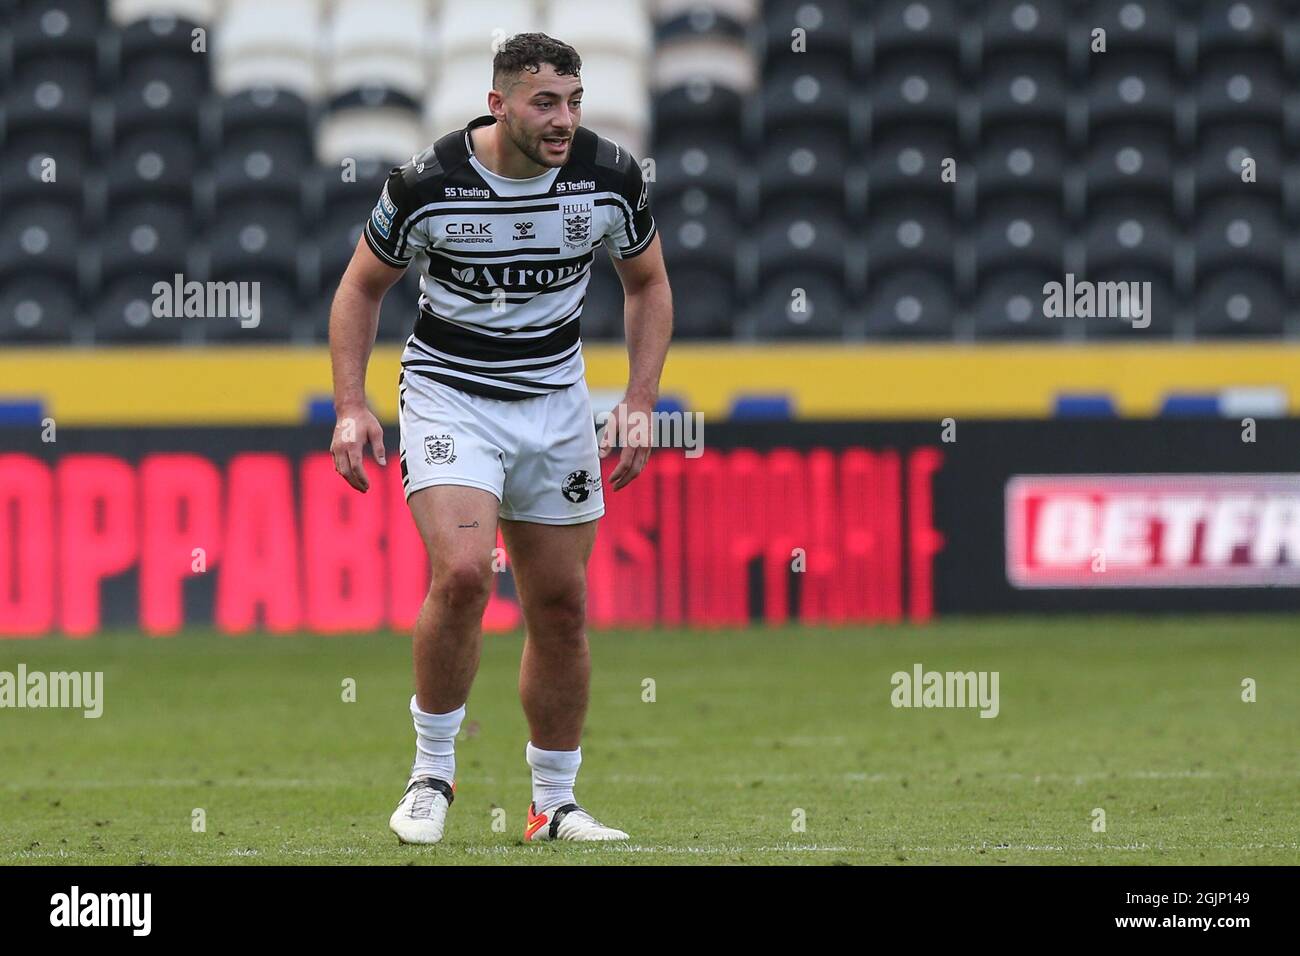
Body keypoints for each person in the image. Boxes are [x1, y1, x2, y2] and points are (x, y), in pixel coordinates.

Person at [327, 33, 673, 843]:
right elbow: (359, 289)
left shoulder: (610, 176)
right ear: (499, 104)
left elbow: (649, 281)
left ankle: (553, 804)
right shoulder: (427, 183)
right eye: (544, 103)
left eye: (574, 102)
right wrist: (351, 404)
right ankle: (431, 775)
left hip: (556, 403)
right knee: (463, 576)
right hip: (451, 398)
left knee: (561, 604)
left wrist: (641, 399)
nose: (564, 121)